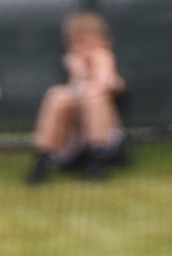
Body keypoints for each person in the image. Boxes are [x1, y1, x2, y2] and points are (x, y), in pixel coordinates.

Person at [25, 10, 127, 184]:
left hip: (103, 144)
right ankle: (41, 160)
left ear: (103, 42)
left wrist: (94, 68)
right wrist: (78, 71)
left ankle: (97, 164)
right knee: (56, 97)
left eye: (89, 44)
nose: (83, 50)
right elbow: (75, 90)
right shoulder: (74, 64)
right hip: (69, 145)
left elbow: (105, 83)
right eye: (77, 44)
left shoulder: (105, 59)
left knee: (94, 97)